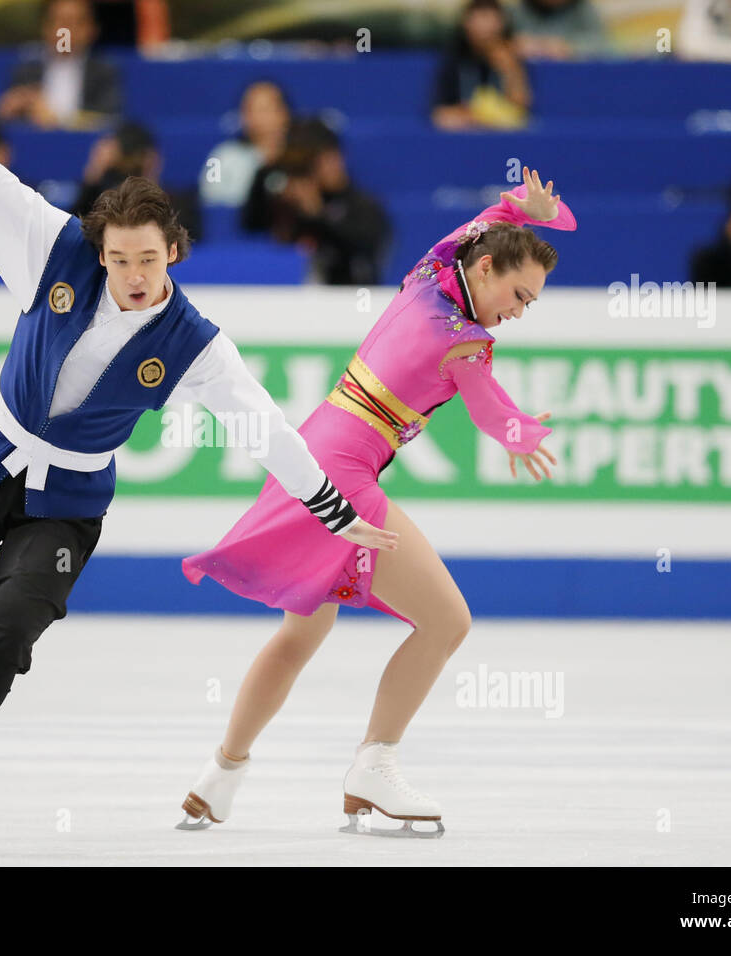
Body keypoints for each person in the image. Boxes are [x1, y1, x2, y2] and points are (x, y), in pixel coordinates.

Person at [0, 18, 396, 853]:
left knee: (9, 635)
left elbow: (264, 427)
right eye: (121, 260)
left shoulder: (195, 343)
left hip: (65, 508)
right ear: (99, 251)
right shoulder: (50, 245)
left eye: (151, 260)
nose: (136, 277)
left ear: (174, 251)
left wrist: (329, 504)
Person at [179, 166, 576, 837]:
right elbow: (490, 413)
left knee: (303, 631)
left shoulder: (432, 271)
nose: (519, 310)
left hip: (310, 454)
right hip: (344, 474)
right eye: (518, 294)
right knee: (448, 620)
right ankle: (375, 763)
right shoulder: (466, 342)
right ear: (483, 270)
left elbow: (477, 231)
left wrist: (519, 208)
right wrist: (525, 431)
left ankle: (220, 776)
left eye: (530, 302)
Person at [242, 117, 390, 285]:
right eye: (312, 162)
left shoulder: (362, 204)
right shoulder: (289, 200)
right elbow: (250, 226)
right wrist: (269, 170)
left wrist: (318, 214)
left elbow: (364, 249)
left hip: (347, 296)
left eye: (327, 157)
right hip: (284, 296)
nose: (323, 167)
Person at [0, 0, 122, 129]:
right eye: (61, 22)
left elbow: (108, 119)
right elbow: (6, 121)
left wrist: (57, 118)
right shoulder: (27, 70)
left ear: (91, 29)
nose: (67, 31)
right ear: (45, 27)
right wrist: (10, 108)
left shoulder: (104, 72)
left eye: (75, 23)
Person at [70, 120, 202, 241]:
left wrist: (149, 174)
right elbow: (72, 233)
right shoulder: (100, 205)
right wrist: (94, 174)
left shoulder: (179, 205)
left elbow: (186, 246)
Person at [432, 0, 531, 131]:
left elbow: (522, 109)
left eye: (490, 19)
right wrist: (473, 117)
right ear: (465, 24)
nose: (484, 28)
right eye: (478, 19)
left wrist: (511, 70)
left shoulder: (512, 59)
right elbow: (440, 114)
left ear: (502, 24)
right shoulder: (453, 60)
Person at [200, 80, 292, 208]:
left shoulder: (302, 157)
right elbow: (210, 197)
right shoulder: (221, 157)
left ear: (284, 113)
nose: (254, 116)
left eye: (264, 109)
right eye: (248, 109)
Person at [510, 0, 612, 60]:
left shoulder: (582, 8)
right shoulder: (517, 11)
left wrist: (570, 48)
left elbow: (604, 45)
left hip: (572, 79)